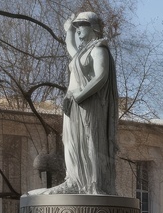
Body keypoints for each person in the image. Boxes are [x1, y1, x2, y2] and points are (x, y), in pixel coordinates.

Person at [33, 11, 118, 195]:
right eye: (77, 26)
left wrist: (79, 96)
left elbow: (101, 77)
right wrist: (68, 31)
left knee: (89, 141)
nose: (79, 30)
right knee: (72, 143)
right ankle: (74, 180)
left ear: (94, 28)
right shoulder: (82, 53)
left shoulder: (99, 49)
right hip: (71, 106)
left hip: (87, 105)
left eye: (82, 26)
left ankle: (93, 184)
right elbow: (71, 48)